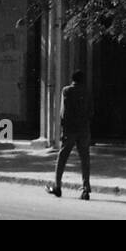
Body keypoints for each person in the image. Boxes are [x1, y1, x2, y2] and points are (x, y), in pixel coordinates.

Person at [47, 70, 92, 200]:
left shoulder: (67, 91)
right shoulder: (87, 92)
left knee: (62, 157)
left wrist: (63, 127)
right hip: (83, 129)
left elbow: (64, 112)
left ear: (72, 80)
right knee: (85, 159)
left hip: (70, 129)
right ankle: (86, 189)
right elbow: (91, 111)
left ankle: (58, 186)